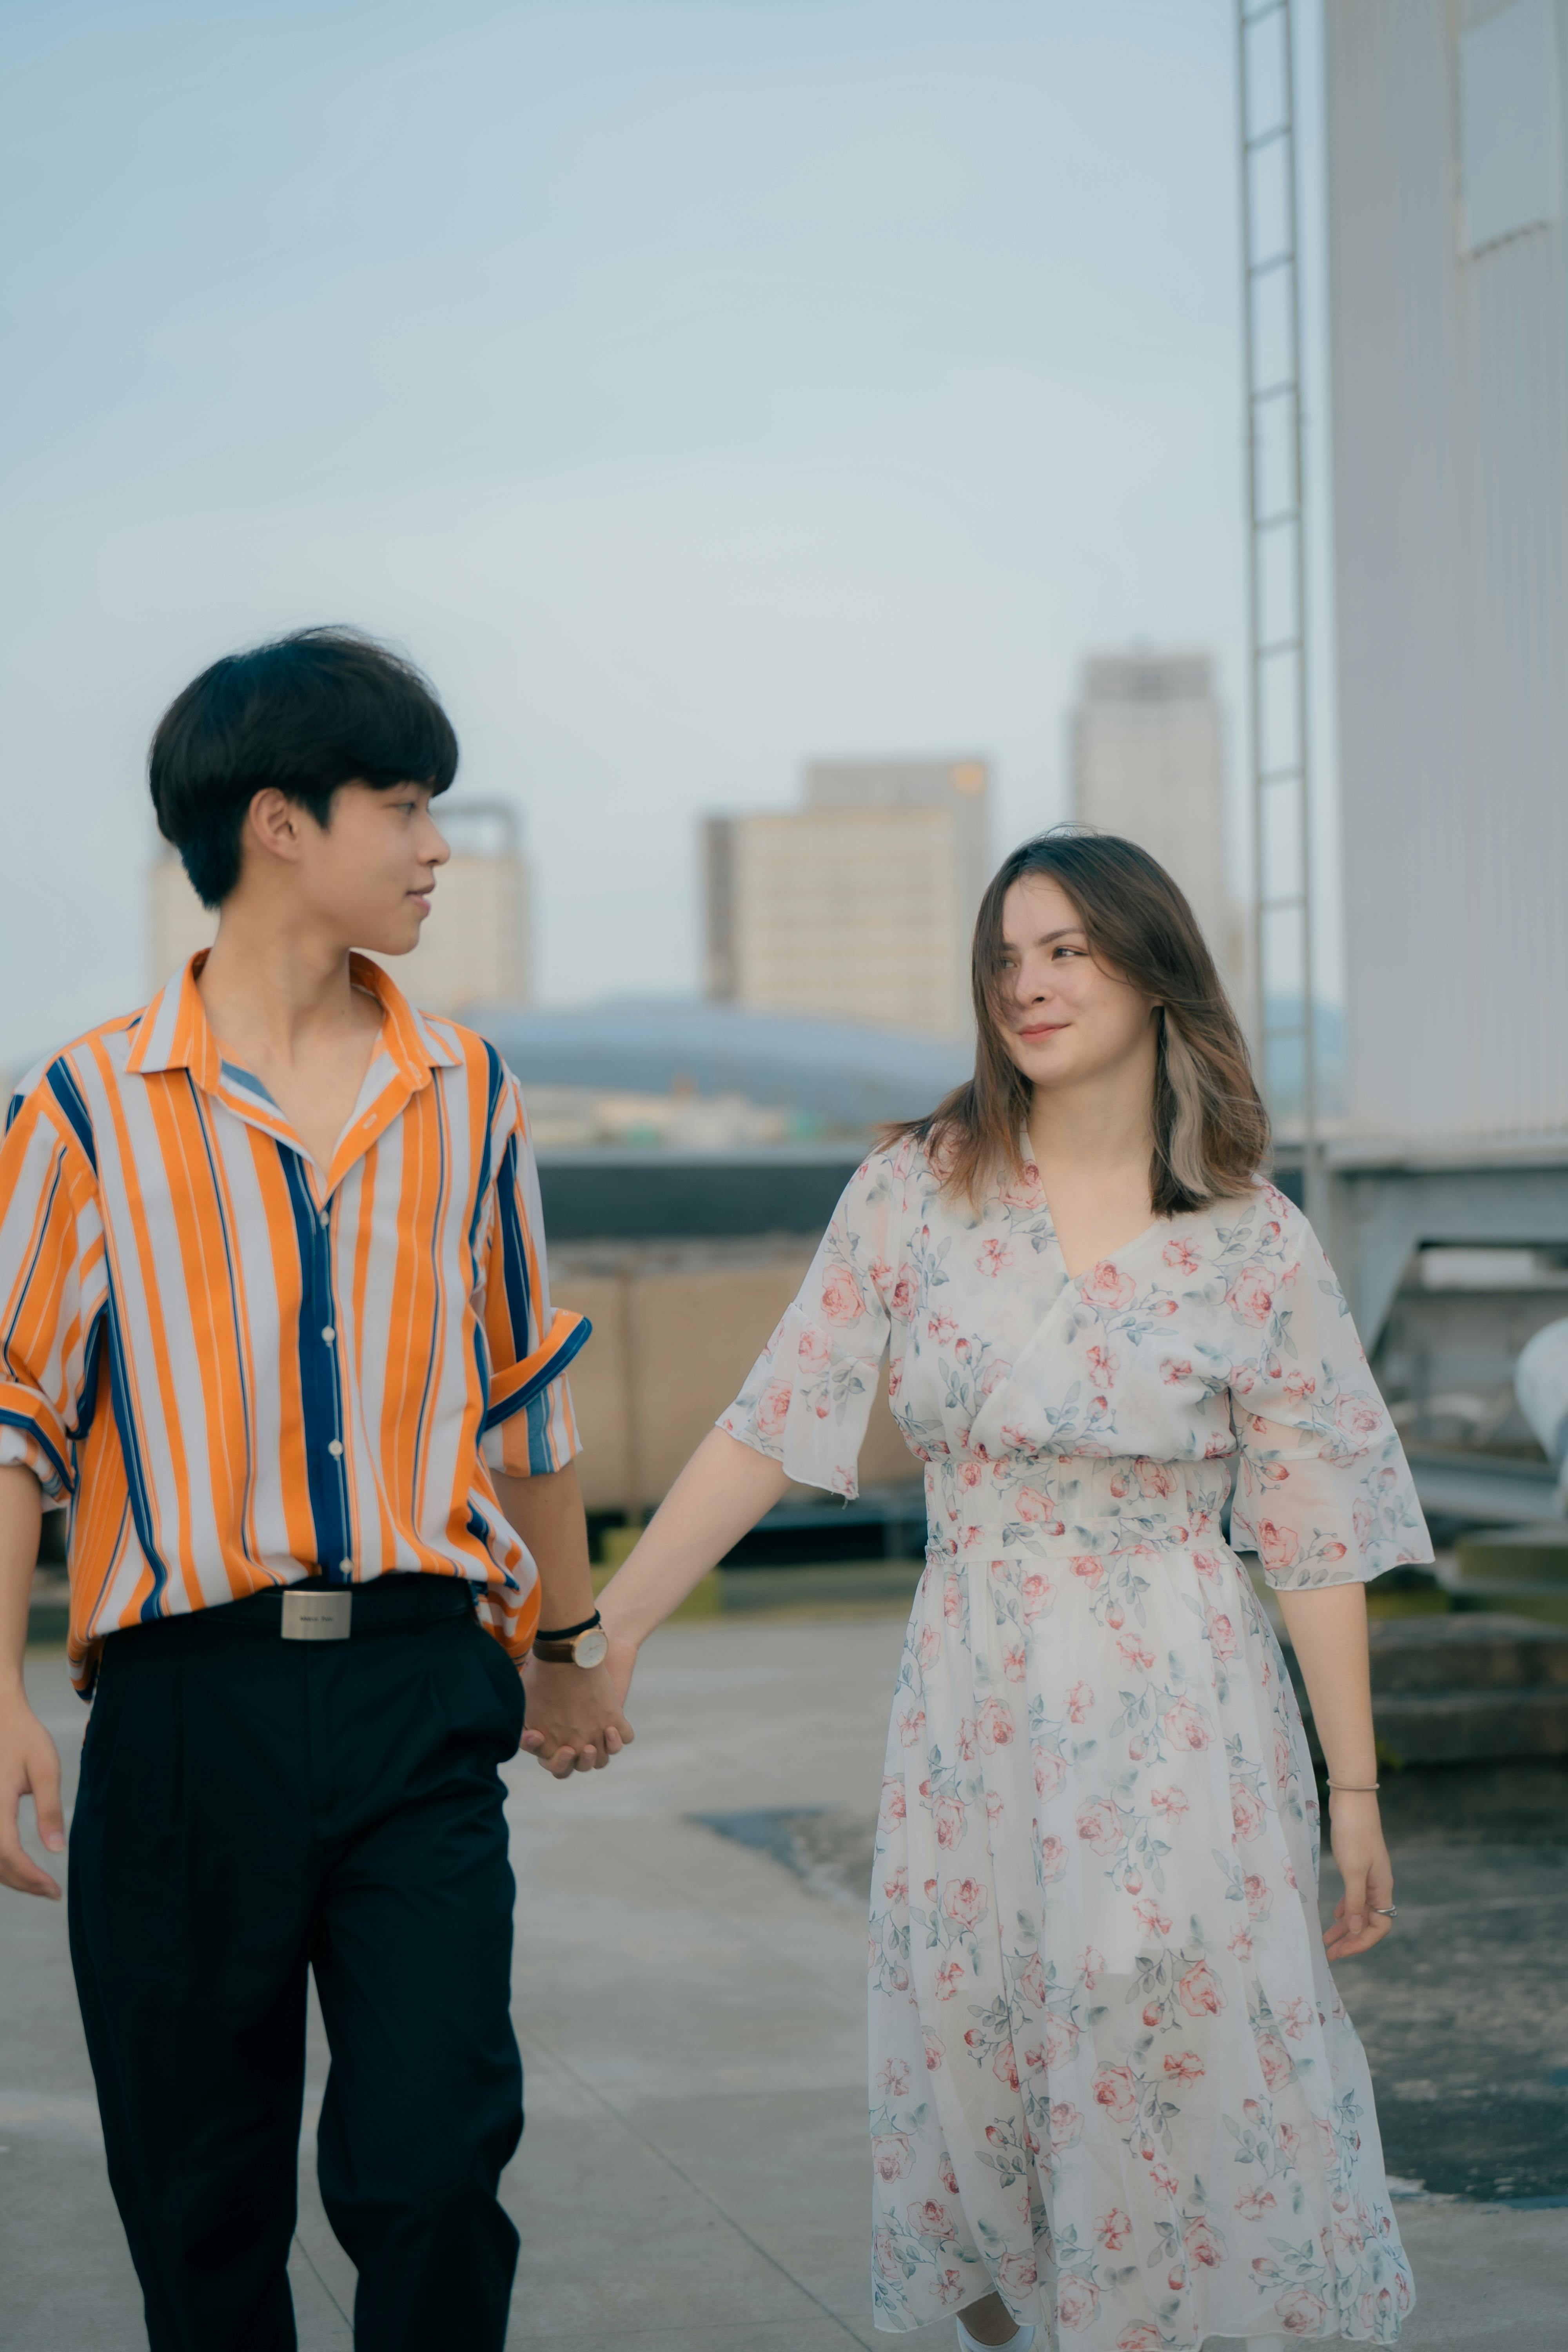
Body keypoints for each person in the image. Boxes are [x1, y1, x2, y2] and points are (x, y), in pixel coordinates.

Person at [594, 831, 1428, 2351]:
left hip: (1182, 1696)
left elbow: (1314, 1534)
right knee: (982, 2054)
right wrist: (615, 1626)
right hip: (976, 1697)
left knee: (1159, 2026)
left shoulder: (1252, 1239)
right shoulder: (917, 1192)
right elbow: (774, 1418)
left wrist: (1354, 1790)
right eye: (1005, 957)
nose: (1027, 985)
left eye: (1067, 952)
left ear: (1154, 971)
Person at [0, 628, 630, 2352]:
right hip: (185, 1713)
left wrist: (567, 1645)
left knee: (435, 2171)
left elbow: (524, 1404)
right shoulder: (85, 1109)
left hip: (420, 1693)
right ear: (279, 823)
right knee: (201, 2212)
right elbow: (16, 1418)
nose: (436, 848)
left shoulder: (471, 1093)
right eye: (403, 806)